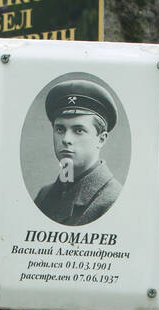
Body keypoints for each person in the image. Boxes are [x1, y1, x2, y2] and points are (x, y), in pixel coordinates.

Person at [33, 79, 122, 227]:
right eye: (60, 129)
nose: (66, 139)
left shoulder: (112, 201)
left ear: (101, 139)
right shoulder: (44, 195)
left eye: (79, 130)